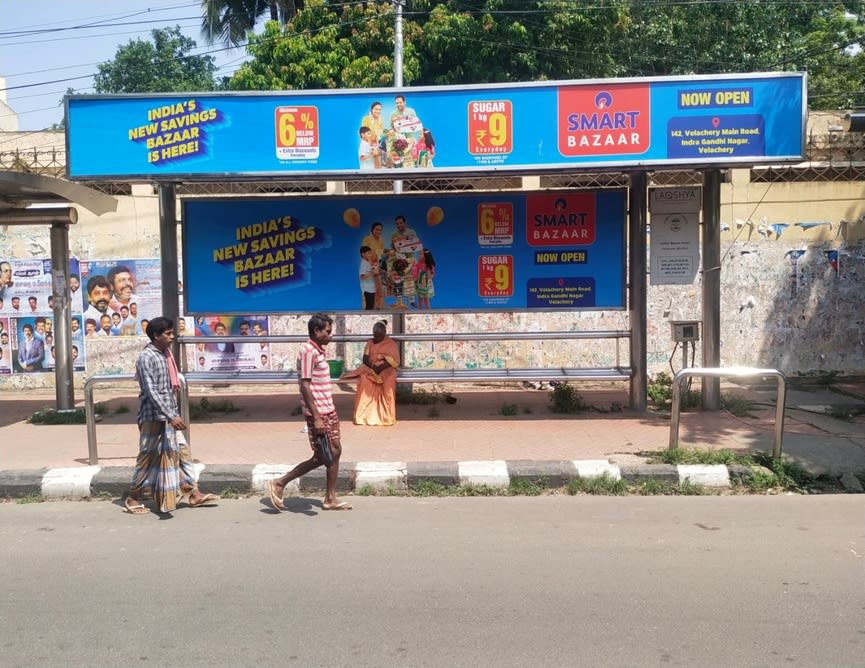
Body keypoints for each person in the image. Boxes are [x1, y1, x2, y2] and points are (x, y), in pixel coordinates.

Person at [124, 316, 217, 515]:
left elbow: (167, 389)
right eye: (168, 333)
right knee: (147, 457)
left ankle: (193, 493)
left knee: (182, 453)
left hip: (169, 415)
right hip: (153, 416)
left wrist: (172, 414)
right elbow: (151, 390)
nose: (172, 337)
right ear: (156, 335)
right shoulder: (146, 357)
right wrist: (170, 415)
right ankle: (132, 497)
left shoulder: (165, 354)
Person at [267, 313, 352, 512]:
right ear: (317, 331)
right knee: (322, 456)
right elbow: (305, 386)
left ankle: (330, 498)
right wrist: (316, 417)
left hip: (328, 410)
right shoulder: (308, 352)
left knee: (335, 451)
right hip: (319, 413)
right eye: (328, 332)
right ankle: (280, 483)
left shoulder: (318, 351)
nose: (331, 336)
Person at [344, 320, 400, 426]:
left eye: (379, 336)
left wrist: (381, 367)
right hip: (371, 367)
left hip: (386, 369)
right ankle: (363, 415)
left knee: (388, 382)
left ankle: (386, 416)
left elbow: (395, 361)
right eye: (375, 336)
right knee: (364, 380)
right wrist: (373, 367)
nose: (377, 339)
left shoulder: (390, 344)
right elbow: (365, 359)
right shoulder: (370, 342)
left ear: (384, 334)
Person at [362, 221, 386, 308]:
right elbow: (365, 253)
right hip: (369, 267)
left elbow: (381, 253)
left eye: (380, 230)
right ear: (372, 230)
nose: (378, 232)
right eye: (376, 229)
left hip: (378, 266)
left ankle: (378, 306)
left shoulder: (382, 240)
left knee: (379, 287)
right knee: (370, 289)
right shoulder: (367, 239)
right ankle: (370, 306)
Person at [358, 245, 379, 310]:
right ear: (363, 254)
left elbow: (371, 274)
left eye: (371, 253)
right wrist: (372, 272)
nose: (370, 255)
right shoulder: (363, 264)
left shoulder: (367, 263)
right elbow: (362, 277)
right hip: (367, 289)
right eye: (368, 253)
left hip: (371, 288)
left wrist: (375, 273)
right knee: (369, 306)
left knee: (371, 305)